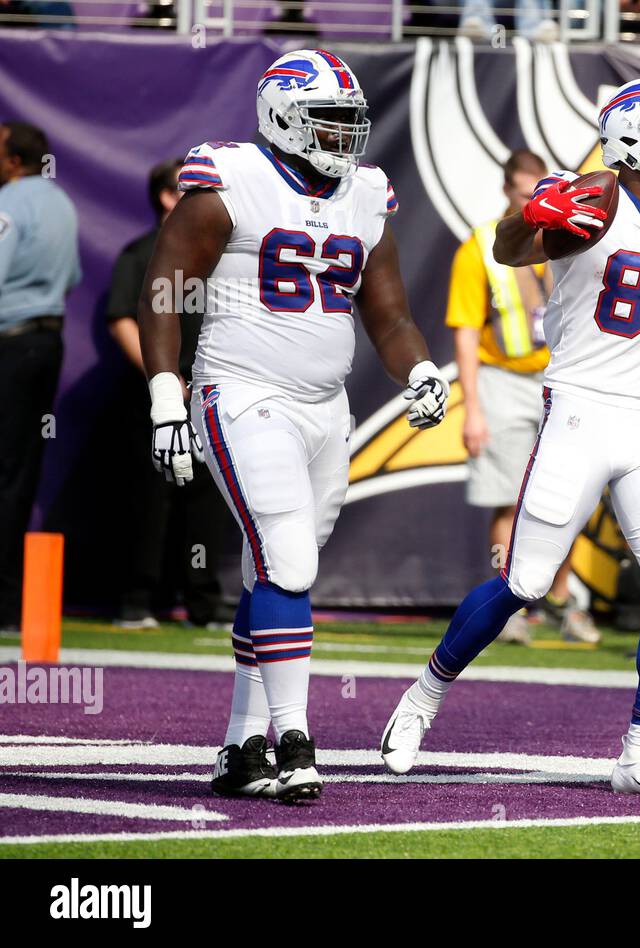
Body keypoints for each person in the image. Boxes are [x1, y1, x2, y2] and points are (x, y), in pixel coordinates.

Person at [380, 77, 640, 797]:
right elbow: (512, 250)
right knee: (526, 581)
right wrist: (527, 216)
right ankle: (423, 699)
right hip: (581, 409)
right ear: (631, 136)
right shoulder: (595, 196)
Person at [137, 49, 449, 802]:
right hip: (241, 393)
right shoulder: (230, 178)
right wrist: (166, 397)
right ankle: (296, 739)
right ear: (282, 117)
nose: (345, 137)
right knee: (289, 563)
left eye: (352, 122)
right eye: (329, 121)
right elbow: (165, 286)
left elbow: (391, 313)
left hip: (324, 405)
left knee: (275, 569)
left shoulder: (365, 193)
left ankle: (241, 746)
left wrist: (420, 370)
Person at [446, 148, 598, 646]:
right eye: (524, 193)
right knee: (505, 497)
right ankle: (507, 602)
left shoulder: (574, 240)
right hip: (503, 379)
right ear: (507, 191)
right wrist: (472, 408)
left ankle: (561, 600)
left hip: (562, 376)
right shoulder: (479, 247)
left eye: (542, 193)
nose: (534, 204)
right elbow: (467, 332)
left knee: (566, 496)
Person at [104, 158, 231, 631]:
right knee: (153, 499)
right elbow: (122, 319)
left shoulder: (219, 255)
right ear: (166, 196)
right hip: (161, 396)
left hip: (210, 392)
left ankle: (203, 601)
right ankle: (138, 601)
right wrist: (163, 379)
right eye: (193, 190)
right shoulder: (141, 253)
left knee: (208, 499)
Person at [0, 120, 80, 632]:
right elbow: (71, 276)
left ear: (12, 160)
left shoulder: (9, 204)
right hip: (46, 342)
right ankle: (10, 607)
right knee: (19, 474)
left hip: (9, 343)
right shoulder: (62, 204)